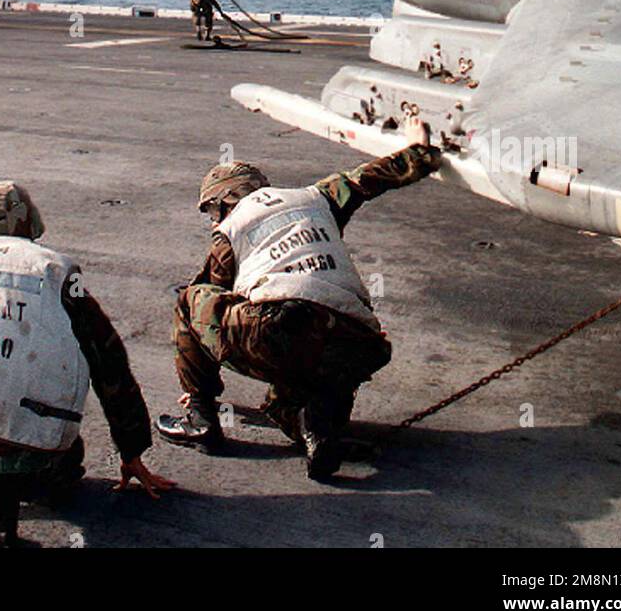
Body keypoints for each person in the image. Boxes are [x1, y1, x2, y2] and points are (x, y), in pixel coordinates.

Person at [0, 180, 175, 546]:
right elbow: (110, 363)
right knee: (63, 463)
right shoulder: (58, 273)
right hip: (32, 446)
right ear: (32, 227)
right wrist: (131, 450)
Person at [156, 117, 440, 479]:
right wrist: (420, 150)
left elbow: (207, 303)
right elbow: (371, 177)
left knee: (189, 299)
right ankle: (317, 428)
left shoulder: (230, 229)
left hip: (281, 329)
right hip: (359, 343)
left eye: (213, 210)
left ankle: (200, 419)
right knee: (285, 407)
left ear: (227, 199)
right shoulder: (316, 196)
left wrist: (200, 382)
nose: (213, 221)